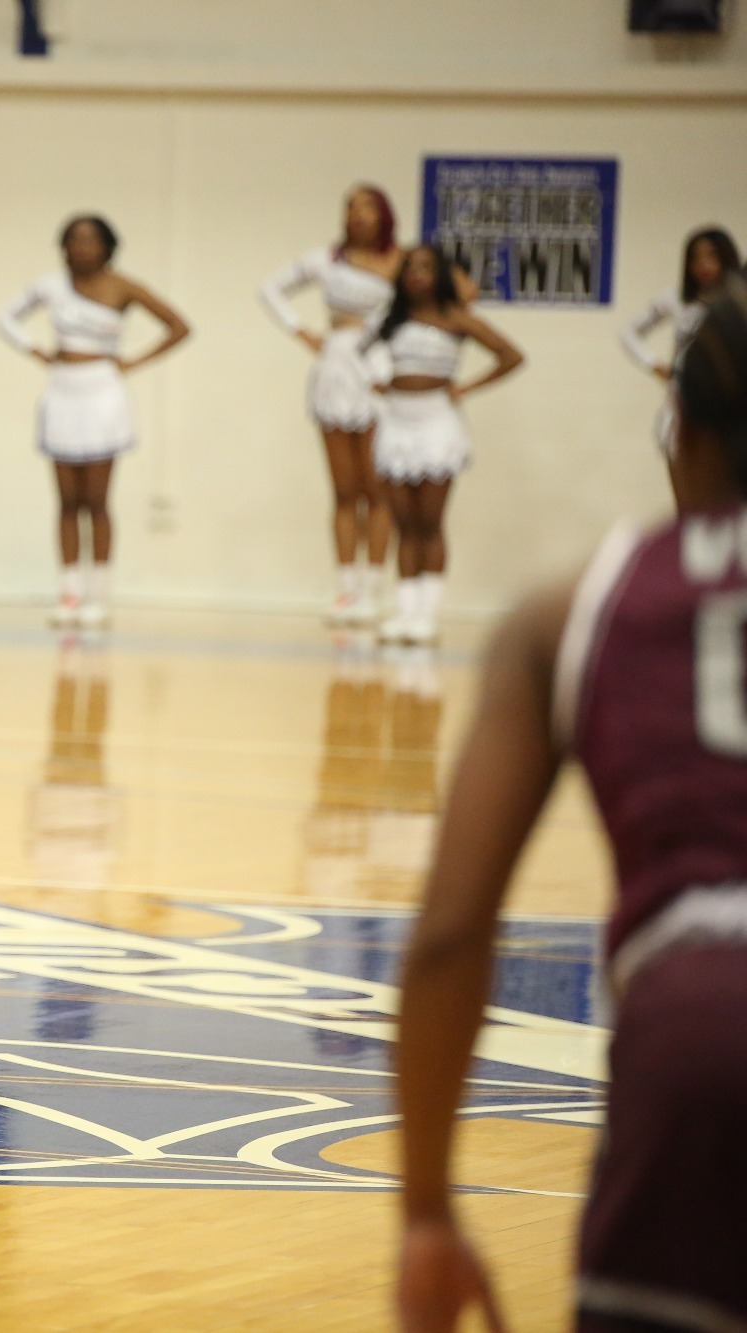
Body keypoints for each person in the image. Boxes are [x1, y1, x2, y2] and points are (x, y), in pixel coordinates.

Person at [395, 273, 747, 1333]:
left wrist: (423, 1211)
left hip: (698, 1036)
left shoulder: (572, 608)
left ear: (674, 428)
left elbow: (450, 935)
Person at [0, 214, 191, 629]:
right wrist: (36, 350)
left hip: (103, 393)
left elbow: (179, 326)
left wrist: (134, 361)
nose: (82, 247)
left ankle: (98, 596)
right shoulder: (50, 286)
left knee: (97, 501)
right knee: (67, 500)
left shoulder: (124, 286)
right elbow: (5, 318)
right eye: (74, 239)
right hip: (62, 391)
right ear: (64, 246)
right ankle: (69, 593)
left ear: (106, 246)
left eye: (90, 240)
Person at [368, 245, 524, 645]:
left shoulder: (457, 319)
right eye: (410, 268)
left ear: (440, 275)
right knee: (403, 524)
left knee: (429, 523)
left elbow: (511, 355)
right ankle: (404, 612)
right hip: (396, 421)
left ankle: (427, 614)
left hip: (437, 420)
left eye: (426, 268)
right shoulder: (388, 320)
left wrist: (467, 387)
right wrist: (377, 379)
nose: (417, 275)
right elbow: (357, 354)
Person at [261, 185, 402, 625]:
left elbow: (457, 292)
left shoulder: (401, 261)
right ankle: (346, 588)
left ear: (383, 215)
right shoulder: (327, 259)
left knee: (378, 489)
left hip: (378, 364)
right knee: (345, 490)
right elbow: (269, 289)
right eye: (350, 207)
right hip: (334, 365)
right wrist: (300, 330)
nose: (357, 215)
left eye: (367, 207)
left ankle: (374, 590)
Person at [620, 226, 739, 464]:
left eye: (712, 255)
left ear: (727, 257)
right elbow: (628, 332)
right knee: (691, 497)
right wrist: (652, 364)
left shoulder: (739, 302)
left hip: (730, 413)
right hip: (682, 411)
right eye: (696, 257)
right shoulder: (675, 299)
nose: (703, 264)